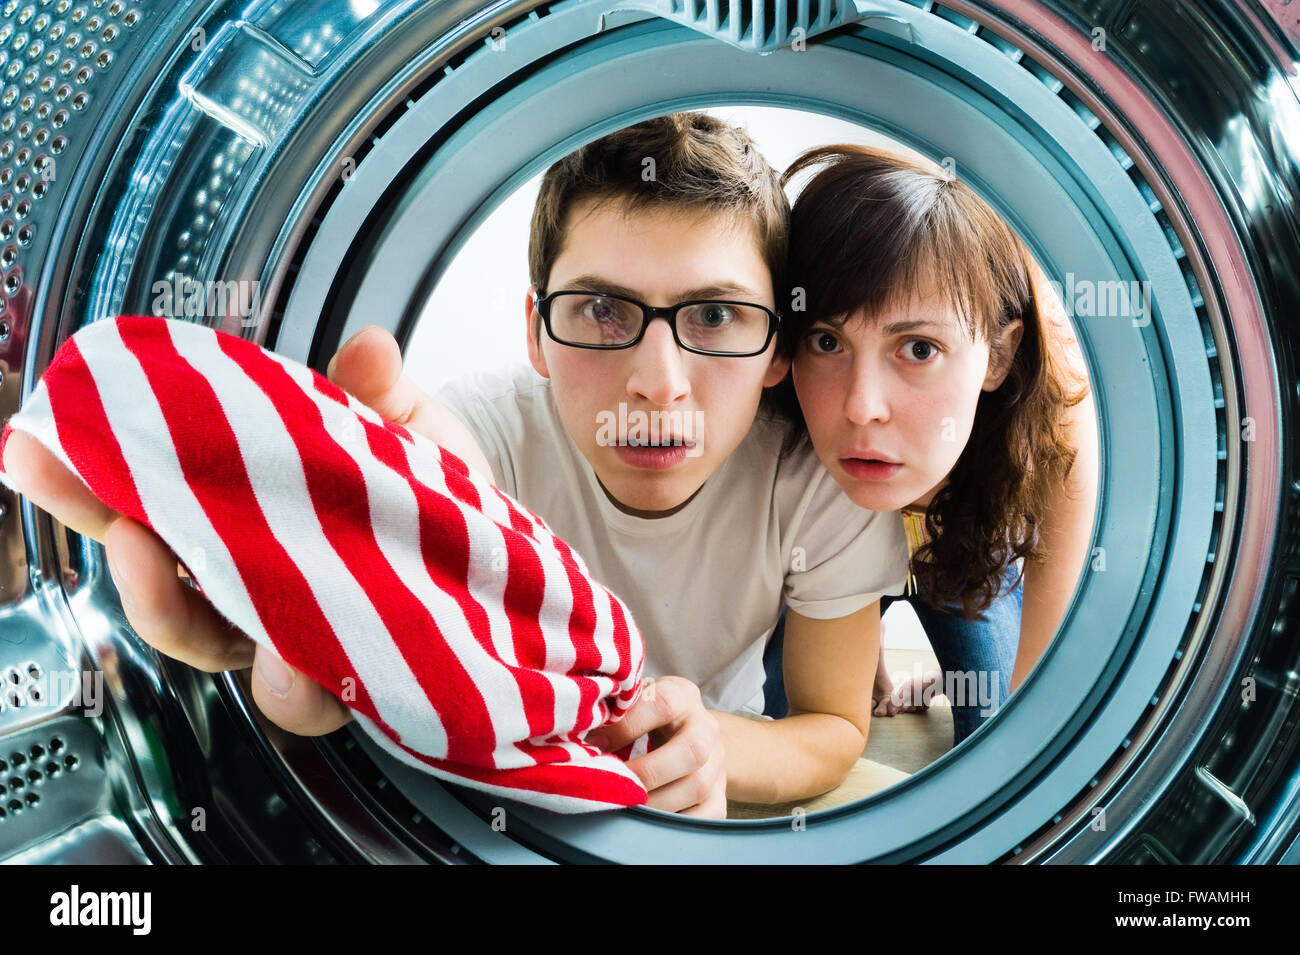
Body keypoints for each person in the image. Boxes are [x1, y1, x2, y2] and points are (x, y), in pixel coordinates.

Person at [1, 115, 911, 817]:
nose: (658, 382)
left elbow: (834, 728)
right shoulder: (476, 431)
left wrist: (705, 741)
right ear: (534, 334)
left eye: (715, 316)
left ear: (780, 348)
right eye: (601, 308)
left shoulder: (817, 484)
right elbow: (419, 518)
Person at [762, 143, 1098, 747]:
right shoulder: (766, 401)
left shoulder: (1057, 418)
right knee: (775, 710)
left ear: (998, 354)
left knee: (994, 720)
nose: (863, 406)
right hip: (823, 562)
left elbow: (1041, 708)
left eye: (919, 348)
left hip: (959, 558)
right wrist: (861, 652)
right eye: (827, 342)